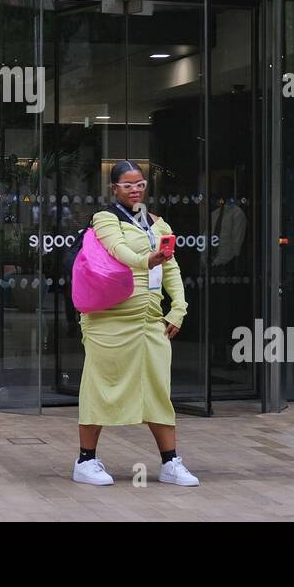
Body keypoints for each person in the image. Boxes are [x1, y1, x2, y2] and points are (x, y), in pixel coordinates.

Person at [72, 160, 199, 487]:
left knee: (158, 389)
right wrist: (147, 260)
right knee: (101, 386)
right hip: (109, 320)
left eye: (139, 183)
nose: (135, 189)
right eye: (127, 184)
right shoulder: (105, 218)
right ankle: (85, 460)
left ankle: (170, 463)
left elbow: (172, 271)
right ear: (114, 188)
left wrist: (179, 309)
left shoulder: (158, 223)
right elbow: (120, 250)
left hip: (149, 321)